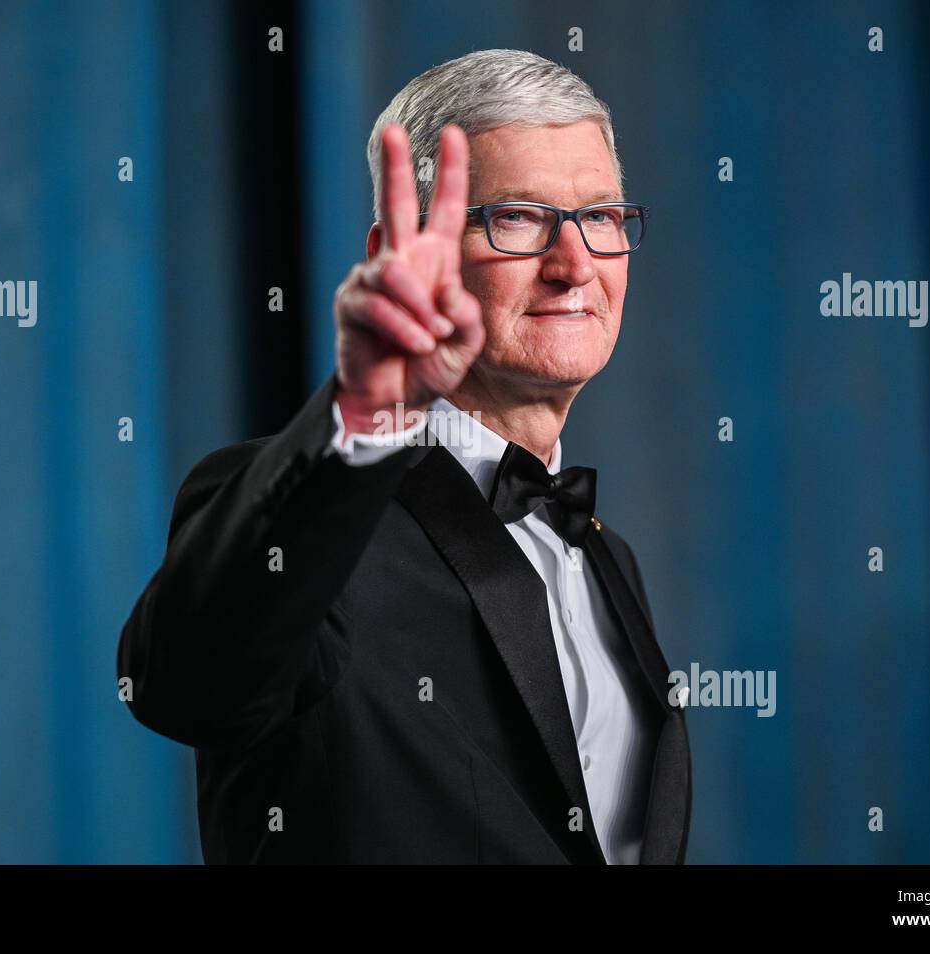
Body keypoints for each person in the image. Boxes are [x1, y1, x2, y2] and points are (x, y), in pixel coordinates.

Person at [117, 48, 690, 864]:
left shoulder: (608, 557)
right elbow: (188, 688)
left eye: (599, 217)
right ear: (403, 250)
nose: (574, 268)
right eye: (519, 218)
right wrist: (367, 417)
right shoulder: (308, 519)